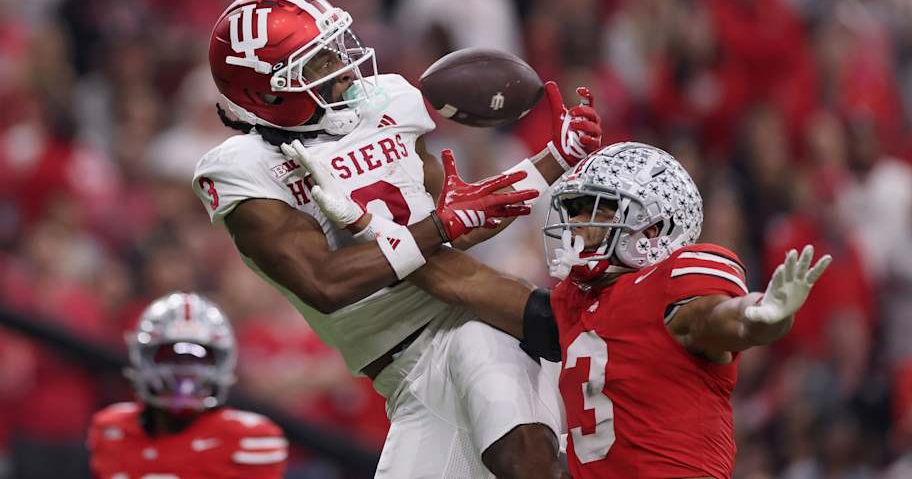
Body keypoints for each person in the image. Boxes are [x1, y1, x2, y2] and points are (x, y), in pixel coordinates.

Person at [193, 0, 602, 479]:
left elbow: (454, 223)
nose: (344, 68)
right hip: (404, 377)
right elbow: (325, 282)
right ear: (266, 91)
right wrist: (440, 225)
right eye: (318, 63)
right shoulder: (243, 169)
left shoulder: (385, 102)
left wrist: (552, 162)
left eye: (334, 48)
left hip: (468, 317)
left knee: (526, 462)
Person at [295, 141, 832, 479]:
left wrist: (761, 316)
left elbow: (715, 318)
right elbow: (461, 280)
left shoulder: (674, 280)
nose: (576, 226)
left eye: (595, 212)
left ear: (654, 228)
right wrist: (368, 224)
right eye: (574, 210)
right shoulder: (576, 305)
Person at [87, 292, 287, 479]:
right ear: (142, 358)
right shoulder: (112, 430)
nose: (184, 372)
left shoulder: (248, 439)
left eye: (198, 359)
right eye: (169, 356)